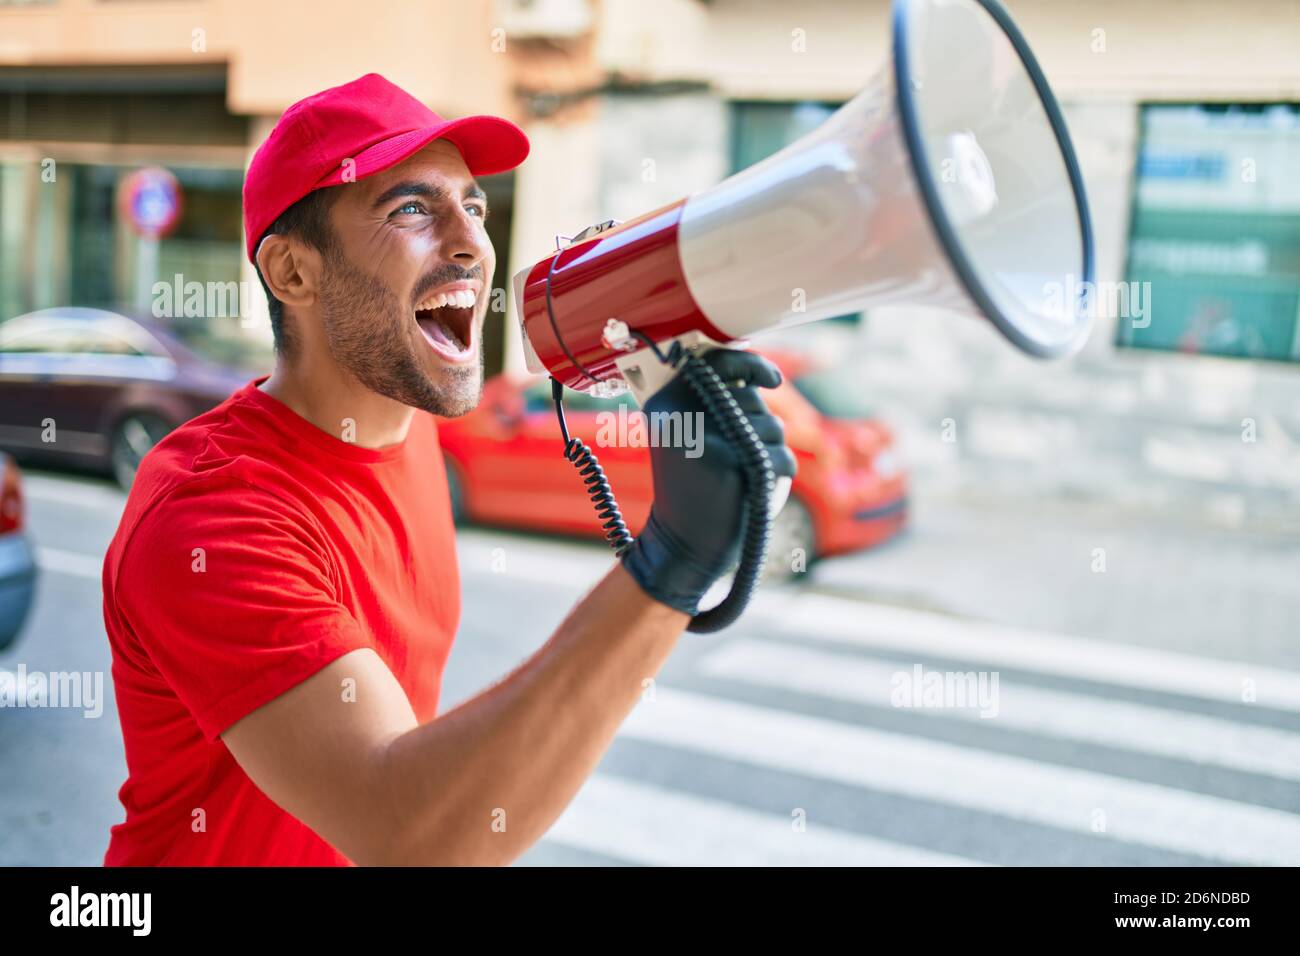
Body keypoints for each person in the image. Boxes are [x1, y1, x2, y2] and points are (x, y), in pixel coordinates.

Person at [102, 72, 794, 866]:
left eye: (473, 205)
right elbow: (405, 836)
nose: (469, 242)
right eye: (411, 209)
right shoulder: (212, 513)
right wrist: (669, 563)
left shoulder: (408, 429)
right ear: (294, 273)